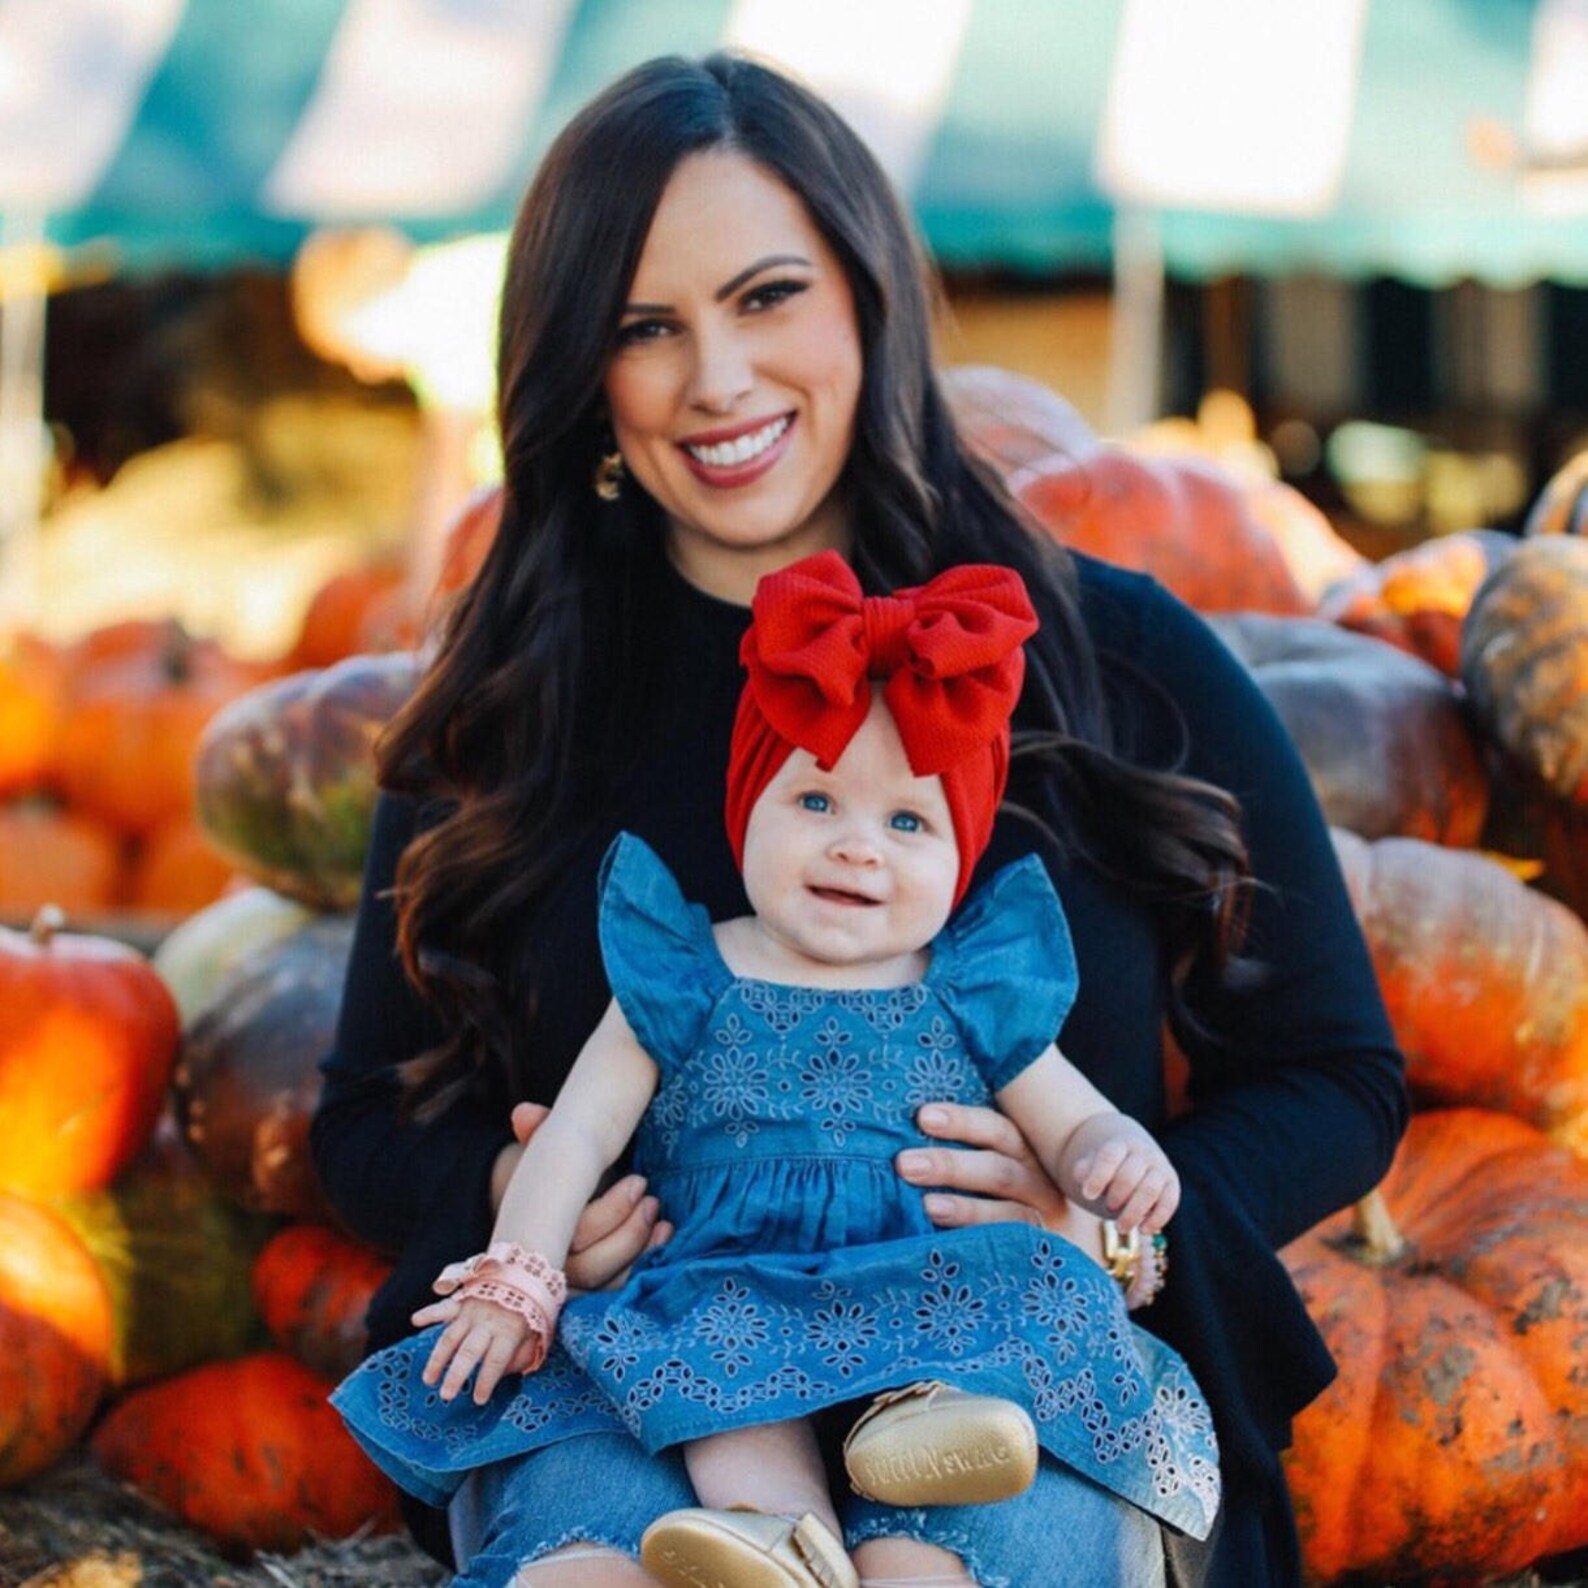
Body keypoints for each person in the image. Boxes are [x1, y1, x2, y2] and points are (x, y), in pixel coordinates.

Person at [309, 49, 1406, 1588]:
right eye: (645, 327)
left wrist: (1101, 1218)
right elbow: (360, 1120)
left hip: (1003, 1380)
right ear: (580, 374)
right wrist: (521, 1207)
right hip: (634, 1366)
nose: (718, 381)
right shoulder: (506, 719)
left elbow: (1337, 1075)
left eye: (768, 297)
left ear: (868, 301)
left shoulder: (1115, 663)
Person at [331, 550, 1219, 1588]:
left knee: (1010, 1308)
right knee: (704, 1354)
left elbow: (1071, 1119)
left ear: (961, 854)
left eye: (906, 822)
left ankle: (921, 1430)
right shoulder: (685, 969)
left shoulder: (973, 982)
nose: (856, 848)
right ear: (745, 804)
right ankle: (782, 1538)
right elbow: (574, 1131)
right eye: (815, 802)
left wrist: (1115, 1160)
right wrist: (520, 1272)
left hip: (928, 1295)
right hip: (730, 1279)